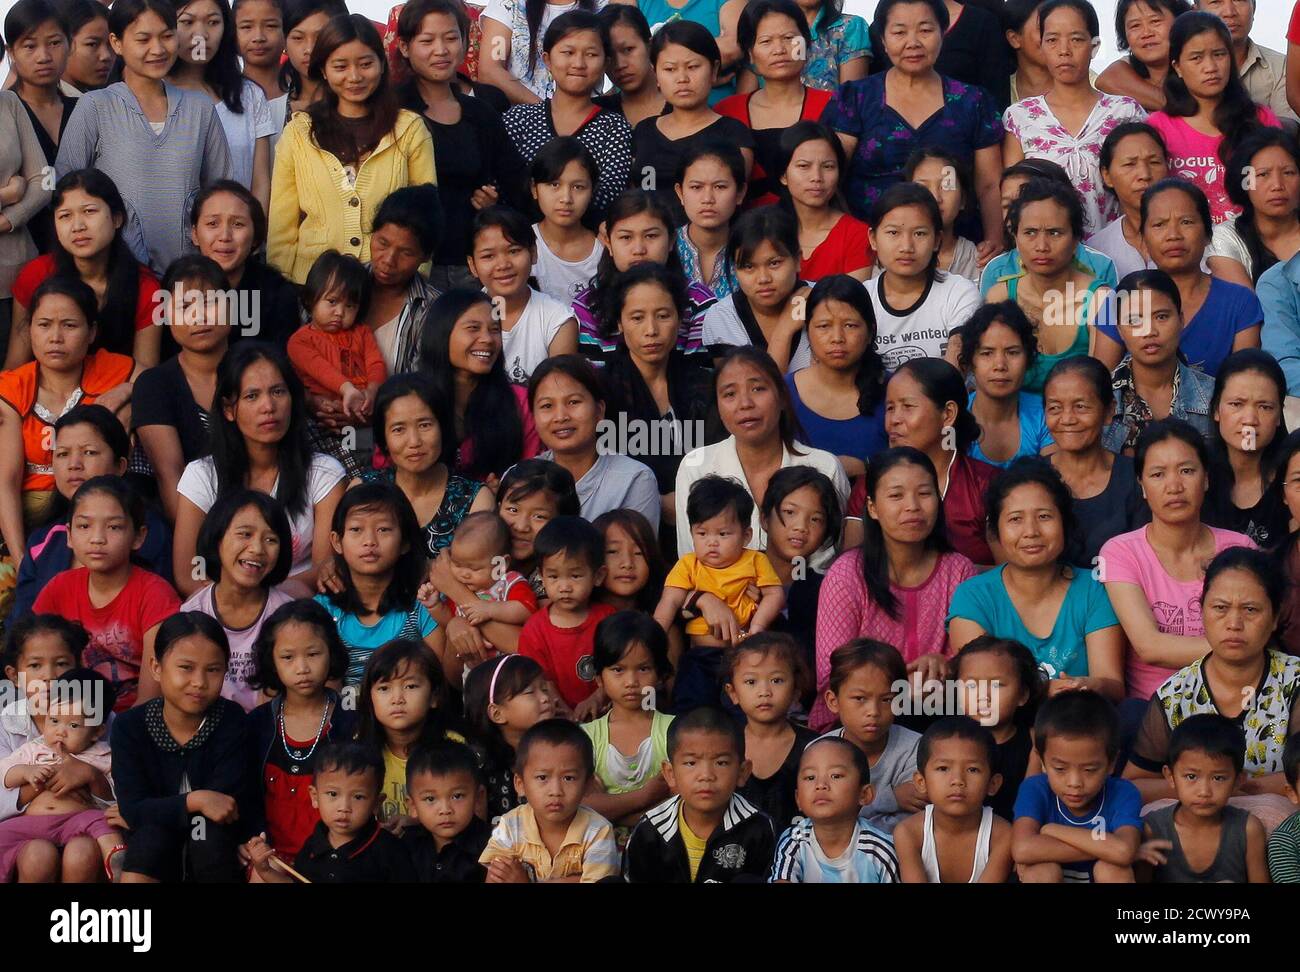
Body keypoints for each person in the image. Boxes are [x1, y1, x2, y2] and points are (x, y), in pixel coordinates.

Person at [1124, 548, 1300, 833]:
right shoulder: (1176, 694)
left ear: (1276, 617)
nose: (1234, 624)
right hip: (1196, 825)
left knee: (1275, 813)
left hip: (1276, 833)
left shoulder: (1294, 681)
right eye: (1220, 608)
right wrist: (1204, 789)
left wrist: (1236, 790)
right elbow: (1134, 784)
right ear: (1201, 610)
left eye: (1250, 610)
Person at [55, 0, 234, 276]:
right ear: (116, 43)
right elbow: (64, 190)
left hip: (189, 279)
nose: (158, 49)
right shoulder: (95, 107)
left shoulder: (200, 109)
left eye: (166, 36)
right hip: (116, 277)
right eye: (143, 39)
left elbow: (222, 192)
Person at [813, 448, 976, 732]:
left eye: (924, 494)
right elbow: (832, 672)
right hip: (863, 718)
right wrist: (895, 685)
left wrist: (945, 665)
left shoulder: (959, 569)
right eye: (896, 495)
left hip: (942, 713)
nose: (912, 506)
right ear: (873, 508)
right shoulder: (847, 574)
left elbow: (977, 662)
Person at [267, 13, 436, 284]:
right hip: (314, 291)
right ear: (324, 70)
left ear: (382, 64)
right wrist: (282, 288)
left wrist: (412, 289)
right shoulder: (299, 133)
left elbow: (426, 218)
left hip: (387, 289)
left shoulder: (409, 129)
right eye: (340, 66)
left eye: (365, 64)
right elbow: (281, 230)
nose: (354, 76)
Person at [822, 0, 1003, 248]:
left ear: (943, 32)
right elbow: (832, 173)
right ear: (883, 40)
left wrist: (994, 240)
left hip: (954, 247)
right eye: (899, 32)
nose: (913, 42)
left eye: (925, 30)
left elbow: (989, 184)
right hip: (869, 247)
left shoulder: (973, 102)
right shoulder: (856, 98)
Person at [1100, 419, 1255, 705]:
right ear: (1142, 486)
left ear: (1206, 478)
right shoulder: (1120, 552)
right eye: (1158, 474)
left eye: (1186, 471)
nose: (1174, 486)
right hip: (1154, 710)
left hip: (1232, 704)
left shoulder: (1241, 548)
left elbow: (1258, 631)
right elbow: (1150, 646)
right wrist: (1238, 649)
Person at [172, 342, 347, 596]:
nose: (269, 406)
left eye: (278, 392)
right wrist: (239, 605)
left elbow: (324, 570)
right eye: (252, 396)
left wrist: (265, 600)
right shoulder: (201, 475)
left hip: (298, 608)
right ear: (229, 409)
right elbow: (189, 575)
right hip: (223, 611)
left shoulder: (324, 473)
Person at [948, 460, 1125, 699]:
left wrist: (1086, 686)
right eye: (1015, 519)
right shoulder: (973, 597)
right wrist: (1041, 692)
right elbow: (979, 691)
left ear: (1064, 523)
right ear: (996, 531)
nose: (1031, 531)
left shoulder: (1093, 589)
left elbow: (1113, 685)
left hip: (1076, 723)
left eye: (1044, 516)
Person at [111, 612, 260, 883]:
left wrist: (156, 810)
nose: (199, 682)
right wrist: (197, 800)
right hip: (153, 842)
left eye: (213, 670)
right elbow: (133, 808)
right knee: (151, 837)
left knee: (205, 835)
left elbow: (225, 805)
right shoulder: (129, 727)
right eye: (186, 668)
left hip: (215, 843)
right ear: (156, 667)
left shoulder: (232, 721)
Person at [0, 277, 140, 559]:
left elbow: (161, 382)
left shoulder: (114, 369)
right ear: (28, 331)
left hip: (100, 523)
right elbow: (6, 481)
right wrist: (22, 562)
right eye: (44, 325)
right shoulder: (12, 387)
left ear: (92, 332)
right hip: (26, 525)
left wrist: (127, 393)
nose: (55, 337)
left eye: (70, 325)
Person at [395, 0, 529, 292]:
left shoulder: (481, 113)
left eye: (451, 38)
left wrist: (495, 204)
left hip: (471, 266)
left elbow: (516, 182)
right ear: (405, 47)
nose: (441, 50)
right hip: (408, 266)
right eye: (427, 41)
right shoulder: (392, 111)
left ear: (466, 42)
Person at [675, 347, 849, 570]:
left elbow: (823, 566)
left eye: (758, 389)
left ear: (783, 398)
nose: (745, 403)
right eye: (730, 394)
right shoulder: (696, 466)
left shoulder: (824, 467)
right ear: (717, 407)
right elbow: (692, 562)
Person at [11, 406, 171, 623]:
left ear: (120, 465)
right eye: (63, 454)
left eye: (89, 452)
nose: (74, 465)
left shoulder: (150, 529)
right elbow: (21, 627)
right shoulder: (41, 541)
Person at [32, 476, 179, 711]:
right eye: (84, 526)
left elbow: (151, 697)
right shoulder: (58, 589)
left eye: (114, 527)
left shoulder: (156, 595)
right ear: (69, 535)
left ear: (139, 536)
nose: (97, 538)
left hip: (133, 724)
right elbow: (32, 666)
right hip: (65, 721)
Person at [1002, 0, 1148, 238]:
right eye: (1052, 40)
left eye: (1076, 39)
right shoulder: (1020, 117)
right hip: (1046, 255)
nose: (1064, 50)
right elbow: (1012, 195)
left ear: (1094, 46)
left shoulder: (1125, 112)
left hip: (1121, 249)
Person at [597, 265, 719, 530]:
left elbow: (721, 461)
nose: (651, 330)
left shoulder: (705, 385)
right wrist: (656, 502)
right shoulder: (600, 390)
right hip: (624, 526)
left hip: (705, 522)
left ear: (679, 318)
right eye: (637, 318)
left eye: (663, 315)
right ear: (619, 322)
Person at [843, 359, 998, 566]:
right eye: (890, 408)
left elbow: (1010, 577)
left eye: (907, 406)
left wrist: (947, 577)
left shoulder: (987, 484)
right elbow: (852, 571)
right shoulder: (869, 484)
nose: (894, 420)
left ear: (948, 414)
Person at [7, 168, 162, 371]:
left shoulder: (146, 287)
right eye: (65, 216)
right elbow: (14, 367)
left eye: (89, 211)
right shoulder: (36, 275)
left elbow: (146, 378)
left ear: (117, 218)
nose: (77, 226)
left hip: (115, 395)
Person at [1104, 181, 1263, 378]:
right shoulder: (1120, 300)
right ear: (1144, 238)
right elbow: (1099, 387)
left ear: (1208, 234)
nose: (1173, 235)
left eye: (1186, 222)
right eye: (1159, 225)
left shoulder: (1240, 302)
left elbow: (1244, 387)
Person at [984, 178, 1123, 392]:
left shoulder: (1101, 300)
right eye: (1030, 232)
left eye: (1055, 233)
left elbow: (1101, 392)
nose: (1041, 246)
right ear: (1015, 237)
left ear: (1076, 238)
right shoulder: (999, 297)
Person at [1146, 10, 1280, 225]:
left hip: (1253, 246)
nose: (1210, 67)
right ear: (1177, 67)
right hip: (1187, 250)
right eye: (1196, 57)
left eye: (1219, 54)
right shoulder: (1157, 128)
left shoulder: (1260, 120)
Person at [244, 598, 354, 862]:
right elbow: (245, 794)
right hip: (270, 858)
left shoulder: (349, 722)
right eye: (288, 657)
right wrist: (248, 841)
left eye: (313, 654)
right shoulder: (257, 724)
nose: (302, 668)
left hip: (334, 859)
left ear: (332, 653)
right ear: (271, 661)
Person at [502, 11, 632, 223]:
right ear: (547, 60)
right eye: (568, 52)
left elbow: (611, 192)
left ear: (605, 63)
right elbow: (502, 183)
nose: (579, 63)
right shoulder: (518, 119)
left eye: (591, 54)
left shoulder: (614, 127)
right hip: (520, 240)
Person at [625, 706, 777, 883]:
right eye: (691, 763)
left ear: (743, 772)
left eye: (721, 763)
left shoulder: (758, 828)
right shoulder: (650, 830)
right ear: (670, 773)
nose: (706, 775)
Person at [655, 476, 785, 680]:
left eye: (723, 534)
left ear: (746, 535)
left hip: (744, 655)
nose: (712, 542)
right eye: (702, 533)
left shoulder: (755, 560)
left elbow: (774, 594)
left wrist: (757, 627)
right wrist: (652, 639)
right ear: (691, 532)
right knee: (693, 704)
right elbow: (669, 602)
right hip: (700, 656)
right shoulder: (688, 565)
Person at [314, 483, 444, 685]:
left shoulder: (426, 604)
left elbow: (440, 682)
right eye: (356, 529)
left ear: (404, 542)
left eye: (383, 529)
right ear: (337, 541)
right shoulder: (321, 610)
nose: (369, 541)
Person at [0, 668, 120, 882]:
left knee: (100, 820)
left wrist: (92, 777)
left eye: (73, 725)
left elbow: (113, 801)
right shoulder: (33, 749)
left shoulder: (102, 755)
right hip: (31, 823)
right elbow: (4, 773)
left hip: (76, 822)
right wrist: (27, 772)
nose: (60, 731)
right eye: (54, 720)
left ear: (97, 731)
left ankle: (115, 853)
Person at [181, 490, 297, 711]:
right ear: (217, 539)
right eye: (245, 534)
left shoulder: (287, 616)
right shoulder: (194, 612)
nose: (257, 549)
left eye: (271, 539)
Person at [630, 20, 755, 225]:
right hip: (649, 246)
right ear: (656, 74)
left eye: (693, 67)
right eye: (670, 69)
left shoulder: (733, 134)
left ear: (714, 70)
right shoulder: (643, 131)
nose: (682, 78)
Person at [1012, 689, 1143, 882]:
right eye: (1060, 769)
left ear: (1112, 763)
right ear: (1042, 762)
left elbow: (1123, 851)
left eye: (1089, 770)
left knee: (1113, 870)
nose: (1074, 783)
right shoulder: (1035, 789)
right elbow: (1022, 849)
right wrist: (1106, 847)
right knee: (1042, 872)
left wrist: (1051, 831)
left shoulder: (1123, 792)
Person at [577, 189, 718, 363]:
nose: (639, 249)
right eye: (626, 237)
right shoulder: (587, 305)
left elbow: (701, 380)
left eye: (651, 236)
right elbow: (592, 382)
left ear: (671, 240)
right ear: (608, 243)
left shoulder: (699, 303)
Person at [715, 0, 831, 210]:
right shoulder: (726, 112)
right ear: (750, 53)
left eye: (789, 38)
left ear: (806, 44)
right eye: (766, 41)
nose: (779, 49)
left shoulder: (833, 107)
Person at [246, 740, 416, 882]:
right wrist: (265, 870)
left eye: (358, 797)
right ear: (315, 796)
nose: (344, 807)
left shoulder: (388, 850)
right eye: (333, 794)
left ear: (376, 804)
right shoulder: (313, 845)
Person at [419, 288, 541, 486]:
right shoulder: (409, 400)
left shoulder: (521, 402)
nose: (487, 339)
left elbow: (532, 476)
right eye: (473, 328)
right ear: (441, 333)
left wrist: (505, 491)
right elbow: (388, 476)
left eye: (494, 330)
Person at [363, 374, 492, 559]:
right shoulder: (365, 490)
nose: (414, 441)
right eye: (399, 429)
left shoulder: (474, 499)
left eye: (425, 425)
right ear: (383, 439)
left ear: (443, 428)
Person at [478, 719, 619, 883]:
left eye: (568, 778)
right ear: (520, 784)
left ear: (588, 784)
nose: (556, 791)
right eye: (542, 777)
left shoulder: (597, 831)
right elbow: (495, 878)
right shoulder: (510, 825)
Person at [1136, 714, 1270, 882]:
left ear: (1238, 780)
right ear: (1170, 776)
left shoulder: (1248, 830)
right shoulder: (1153, 829)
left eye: (1218, 778)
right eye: (1191, 776)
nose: (1204, 791)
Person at [529, 355, 660, 528]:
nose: (561, 417)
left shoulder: (634, 480)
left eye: (573, 402)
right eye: (547, 406)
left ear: (599, 411)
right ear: (534, 417)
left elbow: (633, 553)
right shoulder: (521, 478)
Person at [170, 0, 275, 213]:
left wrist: (254, 237)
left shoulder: (249, 95)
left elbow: (261, 182)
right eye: (187, 22)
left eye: (213, 22)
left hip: (239, 238)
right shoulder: (152, 94)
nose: (201, 34)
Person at [864, 183, 981, 373]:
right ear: (873, 239)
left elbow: (956, 360)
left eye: (919, 233)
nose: (906, 246)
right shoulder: (862, 299)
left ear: (936, 240)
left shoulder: (959, 292)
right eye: (893, 233)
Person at [1043, 357, 1147, 567]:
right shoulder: (1030, 479)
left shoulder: (1135, 480)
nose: (1067, 419)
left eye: (1080, 407)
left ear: (1109, 411)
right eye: (1055, 408)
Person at [1101, 269, 1216, 455]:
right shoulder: (1101, 399)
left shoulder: (1214, 396)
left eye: (1161, 317)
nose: (1149, 331)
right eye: (1134, 320)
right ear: (1120, 330)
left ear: (1181, 320)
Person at [354, 638, 465, 829]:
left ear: (434, 696)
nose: (397, 699)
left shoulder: (455, 747)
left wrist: (416, 825)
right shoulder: (358, 751)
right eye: (384, 688)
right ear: (369, 698)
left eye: (410, 686)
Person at [579, 611, 675, 828]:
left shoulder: (675, 731)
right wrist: (645, 796)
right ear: (599, 677)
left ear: (660, 674)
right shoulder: (586, 738)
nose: (631, 681)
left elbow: (682, 804)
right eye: (618, 670)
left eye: (643, 668)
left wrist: (611, 810)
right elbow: (580, 807)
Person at [785, 275, 887, 478]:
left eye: (850, 325)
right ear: (808, 330)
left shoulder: (895, 390)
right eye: (824, 326)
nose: (837, 338)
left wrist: (867, 468)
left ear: (870, 331)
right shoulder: (783, 392)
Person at [894, 717, 1015, 883]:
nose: (957, 780)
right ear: (921, 782)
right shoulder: (909, 833)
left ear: (993, 784)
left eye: (973, 769)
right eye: (943, 768)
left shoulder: (1003, 835)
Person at [287, 251, 387, 451]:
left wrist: (373, 392)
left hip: (364, 413)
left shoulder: (362, 333)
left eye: (349, 305)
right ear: (310, 299)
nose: (340, 312)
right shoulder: (299, 341)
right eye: (332, 301)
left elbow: (376, 363)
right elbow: (320, 368)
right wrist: (347, 390)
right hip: (323, 417)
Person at [819, 639, 922, 834]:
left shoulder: (915, 748)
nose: (873, 711)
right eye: (860, 698)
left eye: (886, 700)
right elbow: (825, 817)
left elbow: (909, 825)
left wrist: (854, 811)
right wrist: (892, 798)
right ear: (833, 701)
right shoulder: (819, 753)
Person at [467, 207, 579, 385]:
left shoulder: (558, 320)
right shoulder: (460, 318)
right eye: (488, 256)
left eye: (514, 251)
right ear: (472, 265)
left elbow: (558, 392)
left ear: (533, 253)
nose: (503, 264)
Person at [517, 517, 617, 714]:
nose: (564, 587)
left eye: (575, 576)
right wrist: (569, 717)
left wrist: (596, 698)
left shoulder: (609, 620)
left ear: (598, 576)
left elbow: (620, 668)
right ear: (541, 576)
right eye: (554, 576)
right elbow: (542, 682)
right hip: (559, 721)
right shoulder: (535, 630)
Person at [769, 735, 900, 883]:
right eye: (810, 777)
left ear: (864, 794)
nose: (821, 785)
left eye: (835, 776)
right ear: (798, 799)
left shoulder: (880, 850)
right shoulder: (795, 840)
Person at [188, 181, 301, 351]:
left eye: (238, 224)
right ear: (195, 234)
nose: (225, 236)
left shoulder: (279, 295)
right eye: (213, 224)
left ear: (256, 236)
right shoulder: (178, 291)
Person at [3, 0, 78, 257]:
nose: (43, 56)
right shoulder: (7, 112)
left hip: (83, 248)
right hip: (21, 249)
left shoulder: (87, 110)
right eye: (30, 45)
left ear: (71, 44)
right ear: (10, 52)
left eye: (55, 43)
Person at [724, 633, 818, 833]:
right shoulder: (724, 746)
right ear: (733, 693)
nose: (764, 691)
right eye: (751, 682)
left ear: (795, 692)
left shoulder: (815, 748)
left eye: (776, 680)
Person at [701, 207, 812, 374]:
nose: (763, 278)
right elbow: (753, 394)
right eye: (748, 266)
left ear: (797, 259)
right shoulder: (722, 317)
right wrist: (785, 329)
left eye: (774, 263)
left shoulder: (825, 301)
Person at [1203, 349, 1289, 548]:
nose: (1250, 420)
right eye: (1236, 404)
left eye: (1264, 407)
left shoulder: (1292, 479)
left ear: (1278, 416)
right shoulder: (1195, 472)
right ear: (1216, 410)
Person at [954, 635, 1045, 821]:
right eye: (971, 685)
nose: (983, 696)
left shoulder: (1034, 743)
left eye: (996, 685)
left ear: (1022, 694)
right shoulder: (945, 739)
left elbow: (1032, 808)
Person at [355, 184, 441, 376]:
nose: (388, 260)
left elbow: (423, 384)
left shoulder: (433, 308)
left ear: (426, 256)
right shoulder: (340, 283)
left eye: (406, 253)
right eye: (382, 243)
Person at [426, 511, 537, 659]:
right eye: (457, 564)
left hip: (510, 663)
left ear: (501, 564)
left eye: (474, 568)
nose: (464, 574)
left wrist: (490, 609)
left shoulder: (509, 582)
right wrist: (435, 607)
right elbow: (450, 620)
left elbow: (527, 609)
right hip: (475, 667)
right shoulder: (461, 586)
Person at [959, 302, 1054, 469]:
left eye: (1012, 352)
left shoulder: (1047, 415)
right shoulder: (953, 421)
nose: (1000, 365)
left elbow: (1052, 483)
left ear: (1028, 359)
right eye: (987, 353)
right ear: (971, 361)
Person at [462, 653, 556, 820]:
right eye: (529, 692)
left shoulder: (565, 747)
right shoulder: (476, 765)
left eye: (544, 689)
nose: (545, 698)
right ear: (497, 713)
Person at [777, 124, 872, 283]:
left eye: (828, 167)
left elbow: (851, 303)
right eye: (804, 166)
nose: (816, 177)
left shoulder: (857, 235)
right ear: (783, 175)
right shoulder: (767, 230)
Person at [1207, 129, 1300, 287]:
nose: (1277, 185)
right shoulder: (1225, 237)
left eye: (1288, 173)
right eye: (1263, 174)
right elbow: (1247, 308)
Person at [477, 0, 603, 105]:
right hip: (522, 122)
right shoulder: (507, 3)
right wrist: (545, 112)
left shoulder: (602, 4)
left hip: (589, 120)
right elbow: (490, 71)